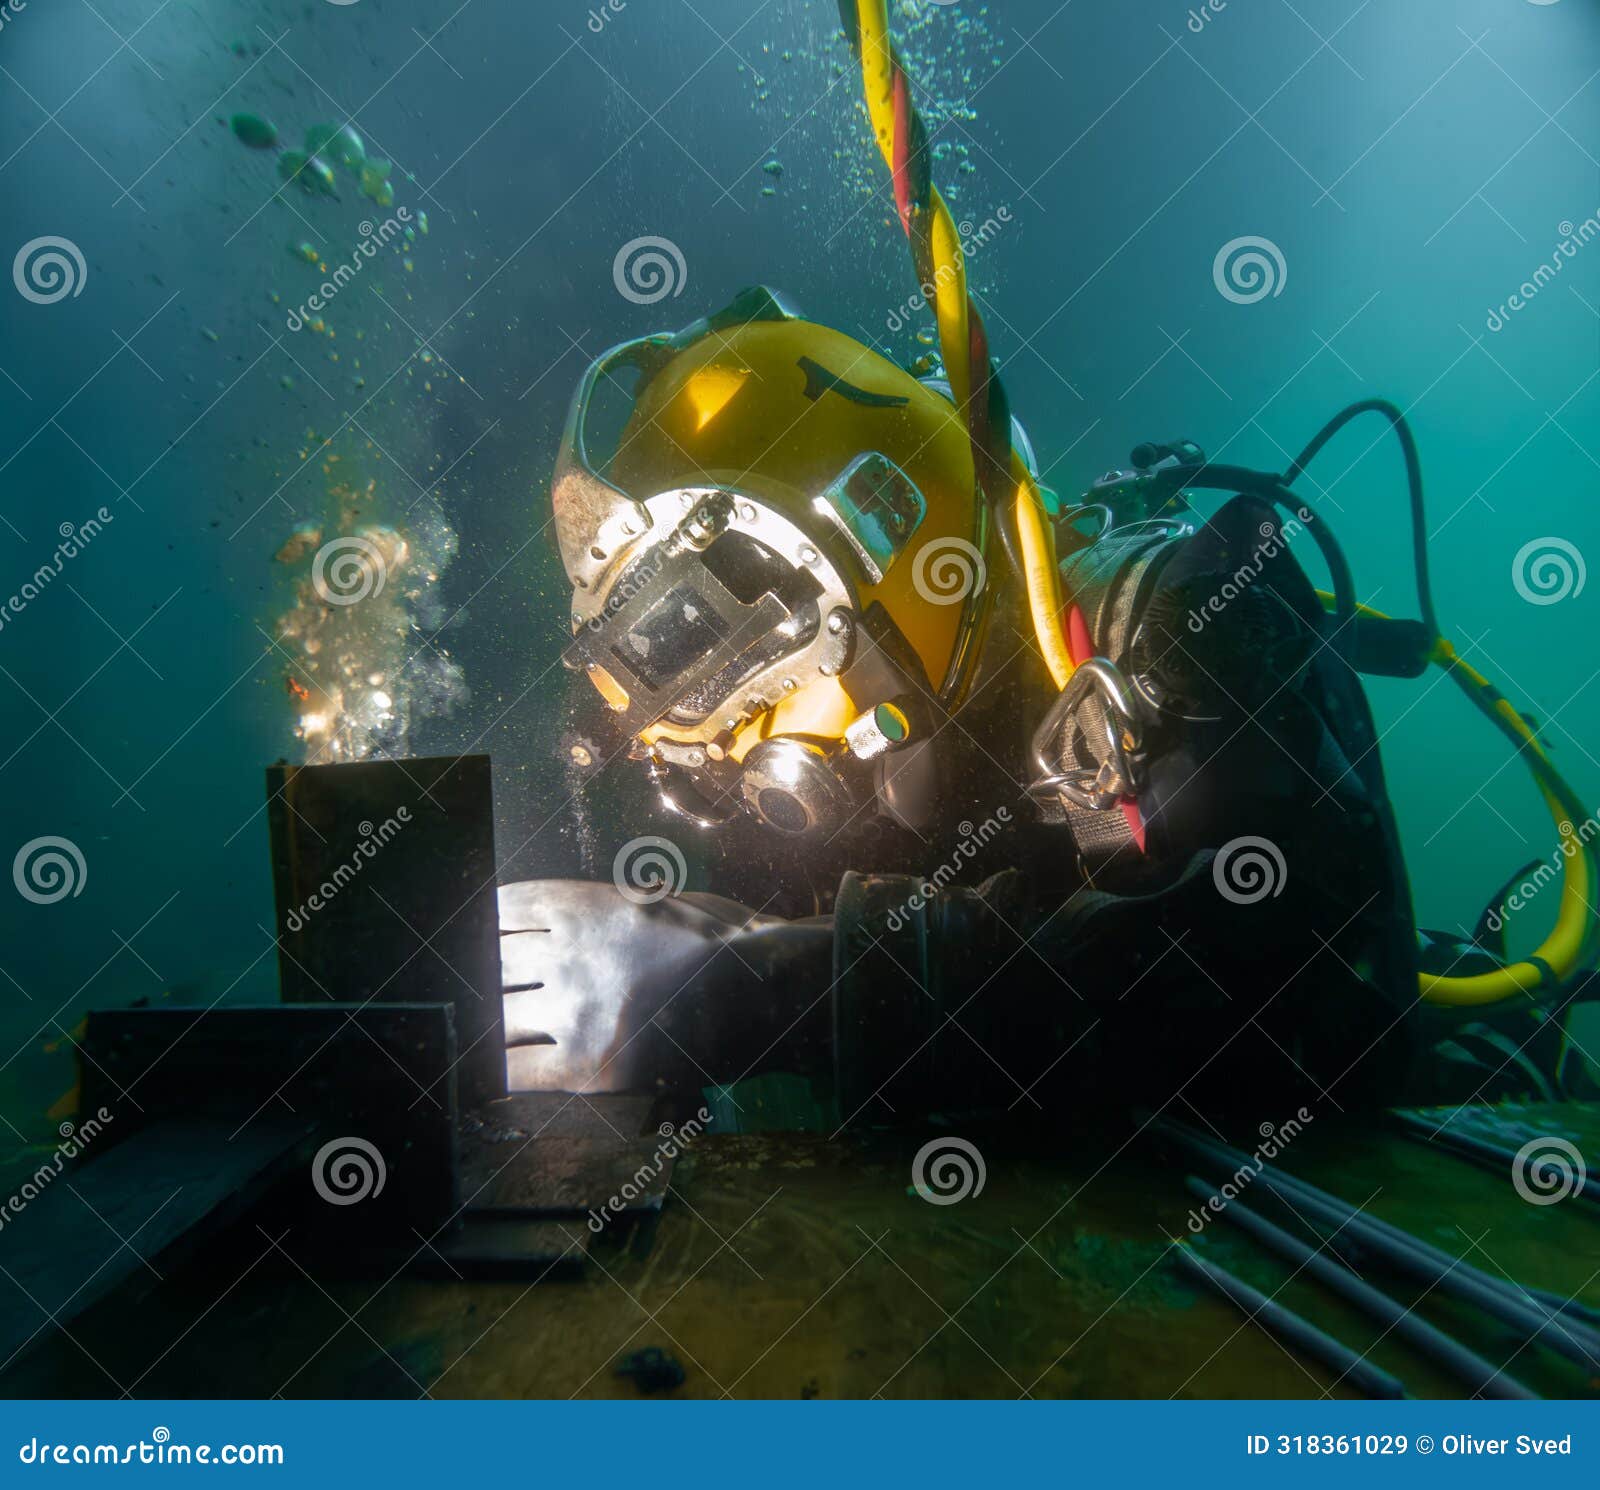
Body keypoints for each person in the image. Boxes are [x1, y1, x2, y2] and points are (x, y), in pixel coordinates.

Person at [507, 286, 1596, 1122]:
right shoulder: (801, 760)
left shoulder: (1179, 623)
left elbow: (1287, 1010)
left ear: (892, 530)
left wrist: (770, 987)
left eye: (726, 633)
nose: (724, 726)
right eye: (666, 666)